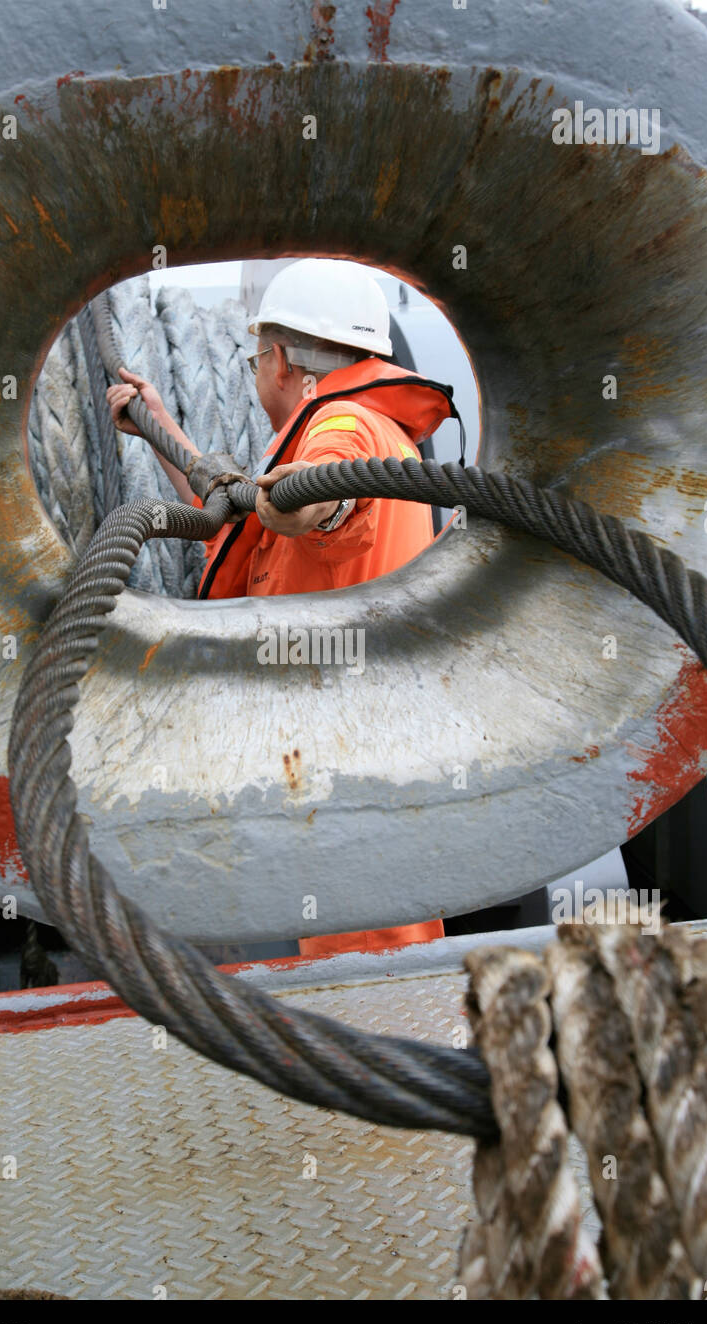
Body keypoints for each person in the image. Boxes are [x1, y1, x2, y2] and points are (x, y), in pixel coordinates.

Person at [106, 258, 457, 958]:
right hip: (358, 766)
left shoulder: (345, 428)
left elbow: (332, 487)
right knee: (375, 953)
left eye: (254, 356)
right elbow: (236, 514)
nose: (254, 373)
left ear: (284, 360)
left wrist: (318, 497)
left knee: (367, 977)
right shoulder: (384, 430)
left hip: (348, 778)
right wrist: (162, 428)